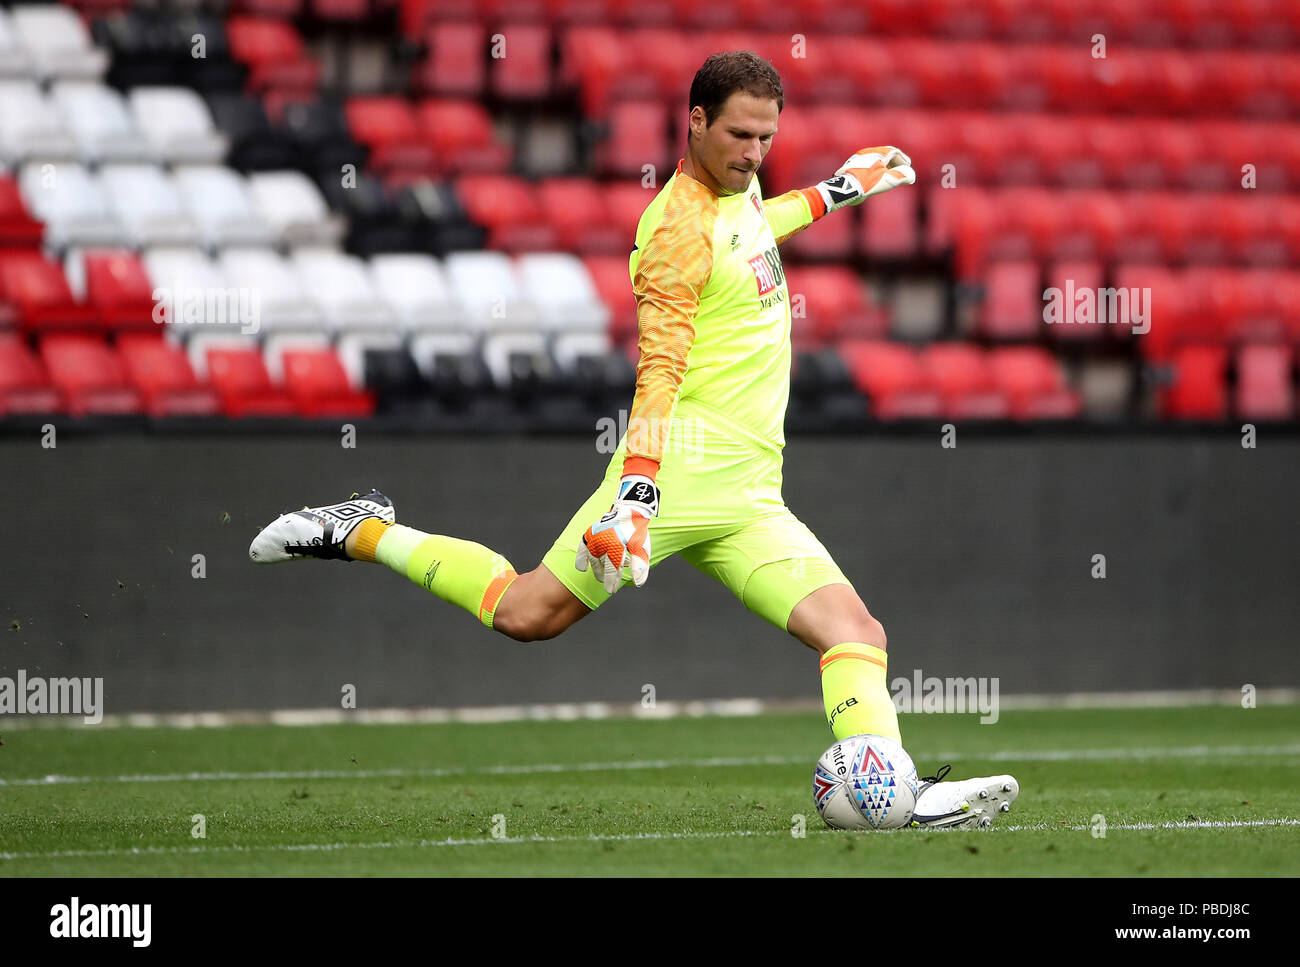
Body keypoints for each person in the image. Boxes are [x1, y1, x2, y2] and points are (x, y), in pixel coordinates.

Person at [251, 51, 1018, 828]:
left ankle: (896, 793)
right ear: (695, 121)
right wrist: (638, 491)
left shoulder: (740, 190)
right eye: (740, 136)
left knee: (855, 630)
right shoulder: (676, 234)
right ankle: (366, 529)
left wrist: (839, 188)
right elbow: (660, 367)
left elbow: (758, 226)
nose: (754, 154)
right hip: (676, 473)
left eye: (766, 137)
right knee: (527, 613)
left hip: (751, 495)